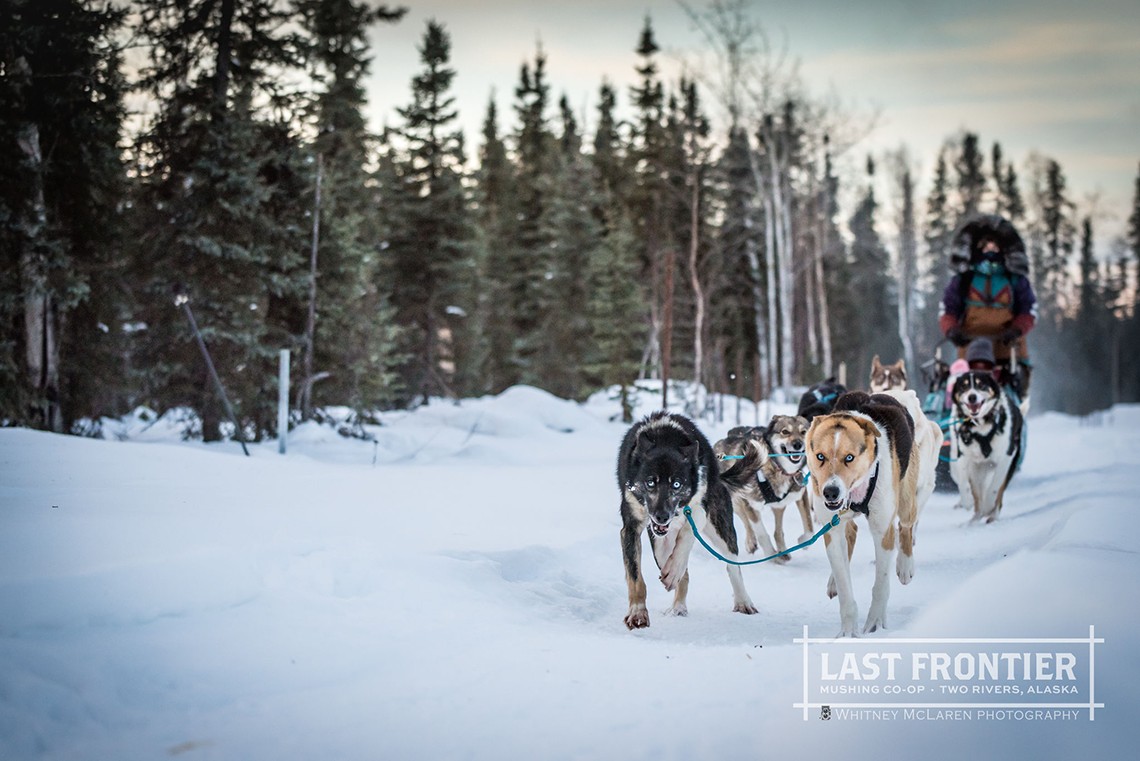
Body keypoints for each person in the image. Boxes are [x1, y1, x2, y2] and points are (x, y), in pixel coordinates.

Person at [939, 214, 1036, 397]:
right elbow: (948, 310)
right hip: (969, 345)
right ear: (976, 248)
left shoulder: (1015, 279)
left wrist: (1017, 330)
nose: (990, 250)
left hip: (1008, 345)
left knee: (1017, 388)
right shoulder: (963, 280)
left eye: (995, 245)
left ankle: (1015, 413)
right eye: (985, 245)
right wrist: (951, 330)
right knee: (962, 391)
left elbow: (1028, 310)